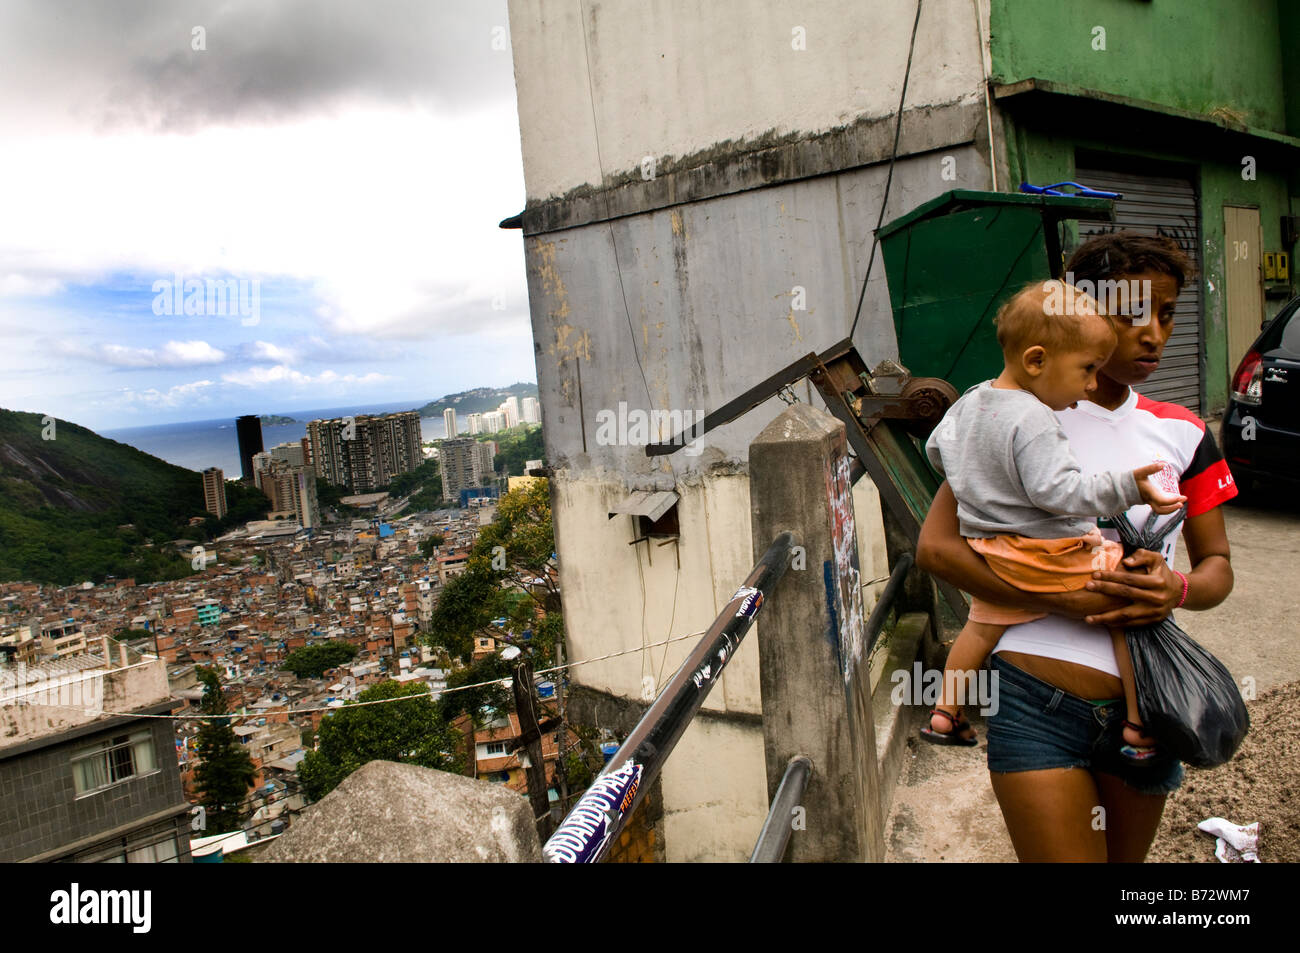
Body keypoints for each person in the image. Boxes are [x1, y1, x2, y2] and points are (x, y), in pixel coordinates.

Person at [916, 232, 1237, 862]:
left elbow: (1217, 569)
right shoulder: (1014, 412)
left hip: (1144, 704)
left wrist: (1176, 590)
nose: (1153, 334)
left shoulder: (1184, 431)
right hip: (1033, 699)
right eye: (1131, 313)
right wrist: (1069, 602)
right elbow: (937, 550)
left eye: (1167, 314)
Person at [919, 279, 1185, 767]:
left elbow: (937, 453)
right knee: (1127, 598)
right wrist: (1130, 485)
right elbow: (1060, 493)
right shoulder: (1036, 418)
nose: (1090, 386)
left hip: (993, 553)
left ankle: (944, 713)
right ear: (1037, 361)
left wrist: (985, 486)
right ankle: (1136, 721)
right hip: (1046, 553)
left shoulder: (971, 401)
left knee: (980, 628)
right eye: (1087, 370)